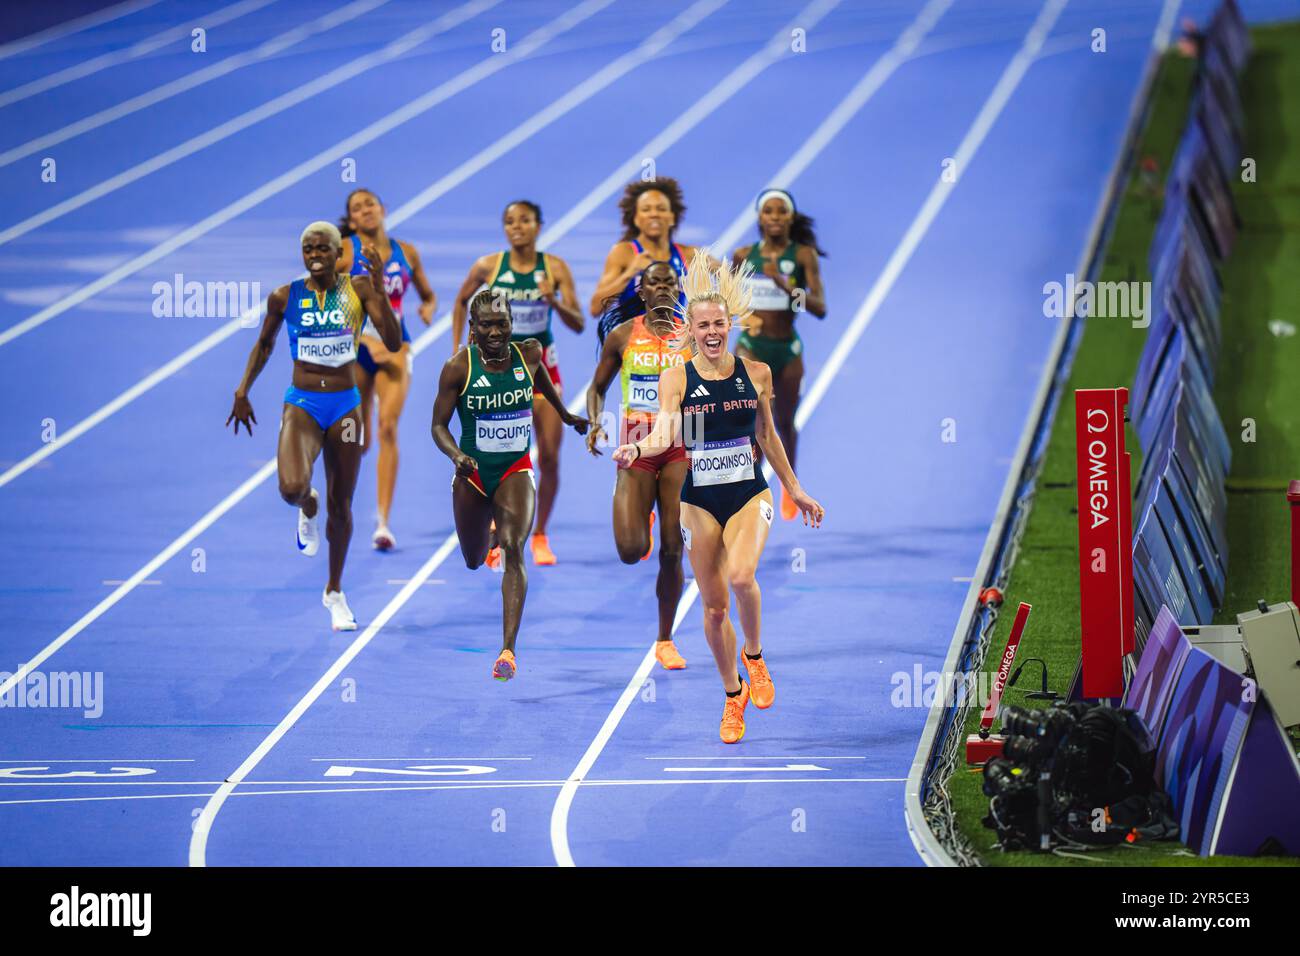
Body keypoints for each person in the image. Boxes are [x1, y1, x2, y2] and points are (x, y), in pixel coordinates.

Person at [613, 251, 825, 743]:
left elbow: (768, 438)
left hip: (749, 492)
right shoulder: (677, 378)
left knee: (742, 575)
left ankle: (754, 655)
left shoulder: (757, 374)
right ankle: (733, 695)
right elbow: (666, 433)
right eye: (703, 324)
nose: (712, 332)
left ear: (731, 324)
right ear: (690, 327)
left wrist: (796, 489)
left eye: (719, 324)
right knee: (712, 609)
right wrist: (636, 448)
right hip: (699, 500)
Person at [227, 222, 401, 631]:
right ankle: (307, 505)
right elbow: (266, 344)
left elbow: (392, 342)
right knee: (290, 488)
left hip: (344, 407)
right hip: (303, 404)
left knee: (342, 506)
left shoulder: (357, 290)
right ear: (301, 253)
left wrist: (378, 291)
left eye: (323, 247)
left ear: (339, 252)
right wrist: (242, 389)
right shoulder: (285, 296)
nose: (315, 253)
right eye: (308, 248)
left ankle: (335, 592)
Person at [431, 290, 588, 681]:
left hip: (515, 470)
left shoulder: (529, 354)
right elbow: (437, 425)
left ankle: (507, 650)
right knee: (472, 559)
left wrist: (567, 416)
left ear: (512, 324)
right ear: (473, 329)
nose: (497, 331)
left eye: (503, 323)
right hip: (472, 475)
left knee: (516, 547)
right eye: (488, 325)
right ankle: (490, 534)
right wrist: (456, 456)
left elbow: (543, 383)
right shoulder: (457, 368)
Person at [451, 200, 585, 566]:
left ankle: (539, 533)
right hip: (496, 374)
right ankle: (499, 522)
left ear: (539, 226)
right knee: (500, 449)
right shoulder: (489, 266)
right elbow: (462, 301)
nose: (517, 227)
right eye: (510, 221)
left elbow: (578, 323)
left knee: (551, 456)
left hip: (542, 372)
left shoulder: (554, 268)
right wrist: (459, 350)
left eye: (525, 221)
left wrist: (552, 300)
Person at [587, 261, 691, 671]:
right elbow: (597, 388)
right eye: (654, 282)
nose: (663, 287)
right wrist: (595, 423)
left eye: (669, 281)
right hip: (634, 446)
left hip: (681, 446)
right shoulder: (623, 335)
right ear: (642, 291)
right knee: (632, 551)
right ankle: (639, 513)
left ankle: (665, 639)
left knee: (672, 549)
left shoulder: (692, 337)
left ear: (678, 289)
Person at [335, 187, 437, 551]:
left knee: (388, 427)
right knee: (357, 441)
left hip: (396, 347)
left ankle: (383, 522)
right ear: (350, 220)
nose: (365, 211)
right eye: (357, 208)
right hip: (356, 346)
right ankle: (338, 498)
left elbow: (427, 294)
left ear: (383, 208)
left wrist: (427, 308)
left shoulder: (406, 252)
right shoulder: (344, 251)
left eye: (370, 204)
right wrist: (364, 341)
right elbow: (329, 301)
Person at [731, 188, 826, 521]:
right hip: (751, 348)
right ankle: (748, 489)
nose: (773, 217)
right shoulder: (743, 255)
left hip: (786, 350)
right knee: (752, 420)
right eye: (767, 211)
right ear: (759, 217)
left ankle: (790, 486)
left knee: (785, 421)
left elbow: (818, 308)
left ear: (790, 217)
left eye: (780, 211)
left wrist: (786, 287)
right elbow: (729, 302)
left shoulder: (802, 256)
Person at [589, 177, 704, 342]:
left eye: (661, 208)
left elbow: (730, 277)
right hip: (634, 346)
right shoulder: (624, 253)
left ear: (672, 217)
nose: (654, 214)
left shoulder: (689, 255)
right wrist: (631, 272)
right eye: (646, 209)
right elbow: (595, 308)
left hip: (674, 345)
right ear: (636, 218)